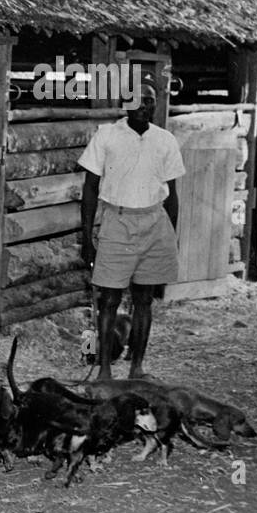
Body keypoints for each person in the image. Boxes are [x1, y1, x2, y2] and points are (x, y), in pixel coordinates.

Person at [78, 80, 185, 380]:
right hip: (117, 221)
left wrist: (171, 239)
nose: (144, 107)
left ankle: (137, 367)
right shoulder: (106, 136)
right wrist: (87, 238)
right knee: (109, 299)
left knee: (144, 300)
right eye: (138, 101)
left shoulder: (165, 141)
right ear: (125, 105)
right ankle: (104, 369)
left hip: (155, 222)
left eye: (150, 102)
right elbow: (89, 189)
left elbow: (172, 194)